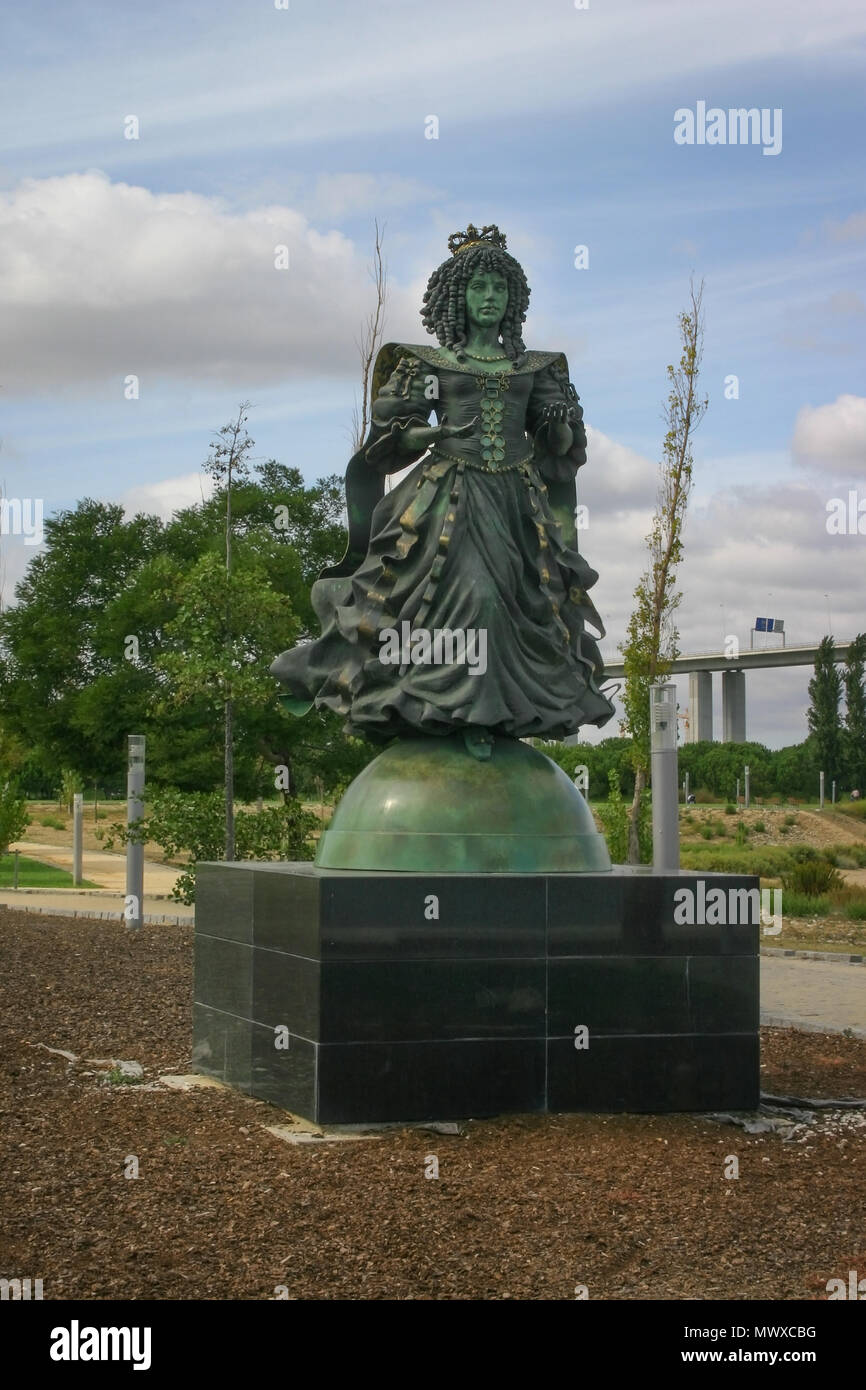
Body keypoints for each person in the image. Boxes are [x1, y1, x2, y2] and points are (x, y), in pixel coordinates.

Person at [271, 224, 615, 759]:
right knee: (472, 599)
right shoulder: (429, 364)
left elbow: (560, 454)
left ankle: (499, 713)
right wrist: (430, 434)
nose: (489, 297)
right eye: (478, 287)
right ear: (458, 297)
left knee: (521, 608)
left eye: (498, 288)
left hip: (517, 505)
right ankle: (459, 711)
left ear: (513, 299)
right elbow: (390, 440)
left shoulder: (537, 367)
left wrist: (557, 425)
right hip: (448, 497)